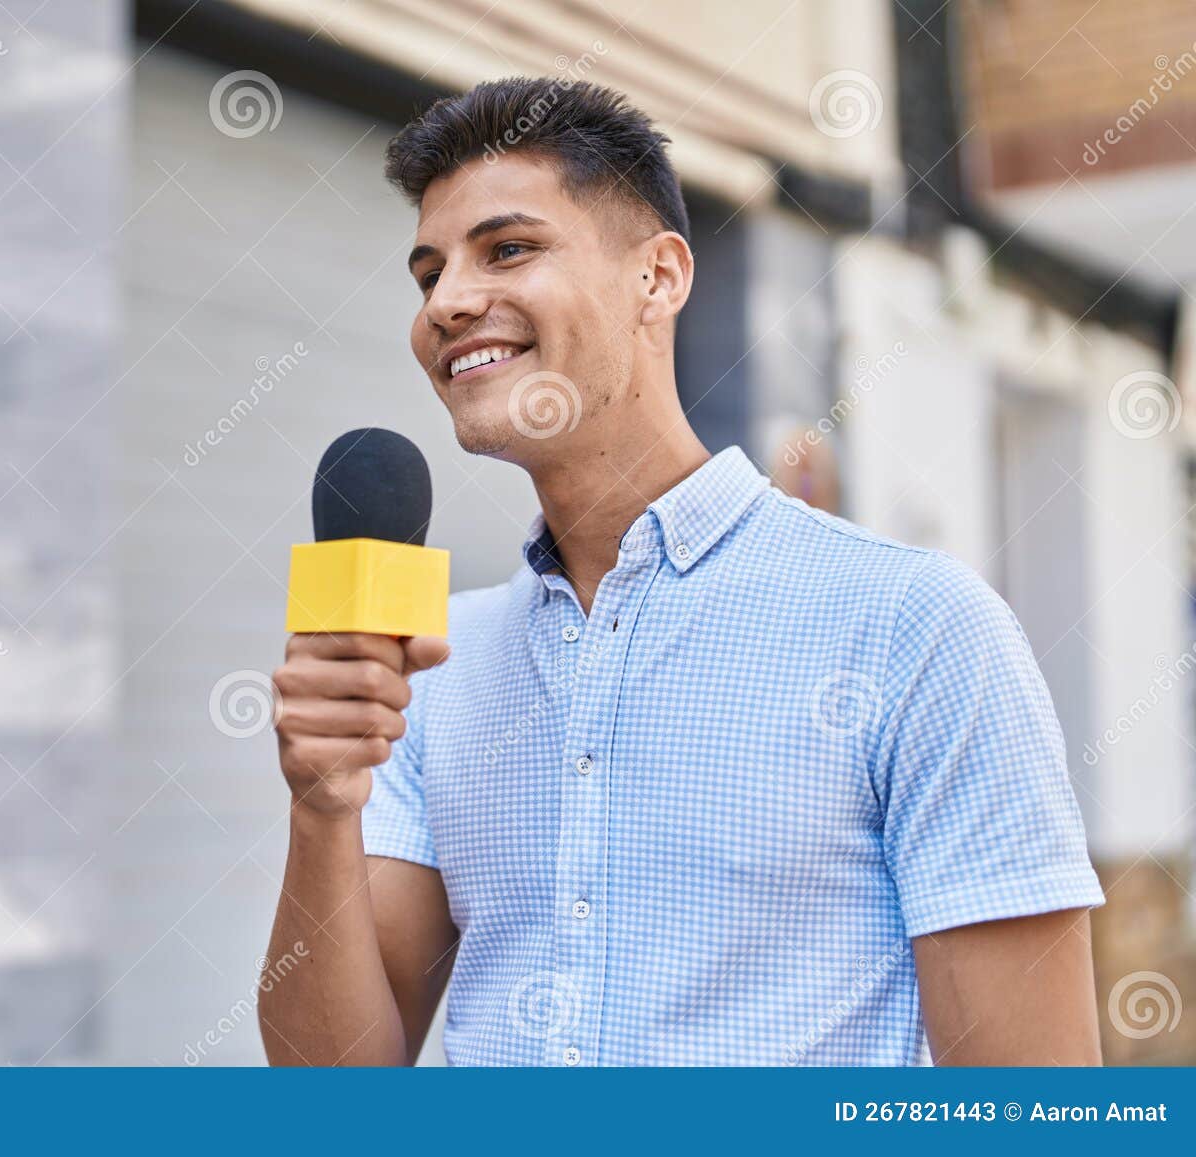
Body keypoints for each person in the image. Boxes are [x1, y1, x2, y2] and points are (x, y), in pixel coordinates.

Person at [257, 77, 1104, 1066]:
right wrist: (322, 806)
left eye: (508, 249)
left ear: (657, 277)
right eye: (426, 272)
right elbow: (337, 1083)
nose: (447, 302)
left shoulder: (912, 625)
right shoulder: (431, 664)